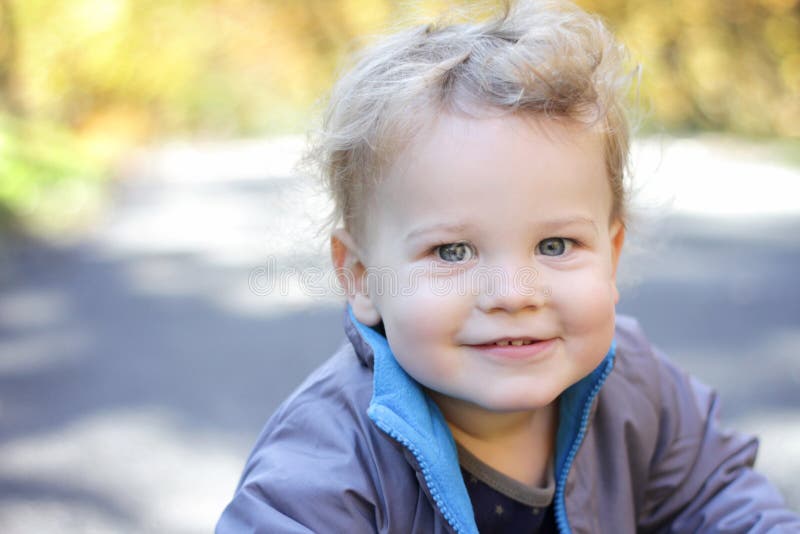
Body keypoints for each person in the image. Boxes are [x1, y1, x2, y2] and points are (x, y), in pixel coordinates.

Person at [217, 1, 800, 532]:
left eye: (556, 245)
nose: (514, 294)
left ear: (612, 255)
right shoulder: (325, 465)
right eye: (453, 252)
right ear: (363, 277)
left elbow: (723, 499)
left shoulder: (638, 391)